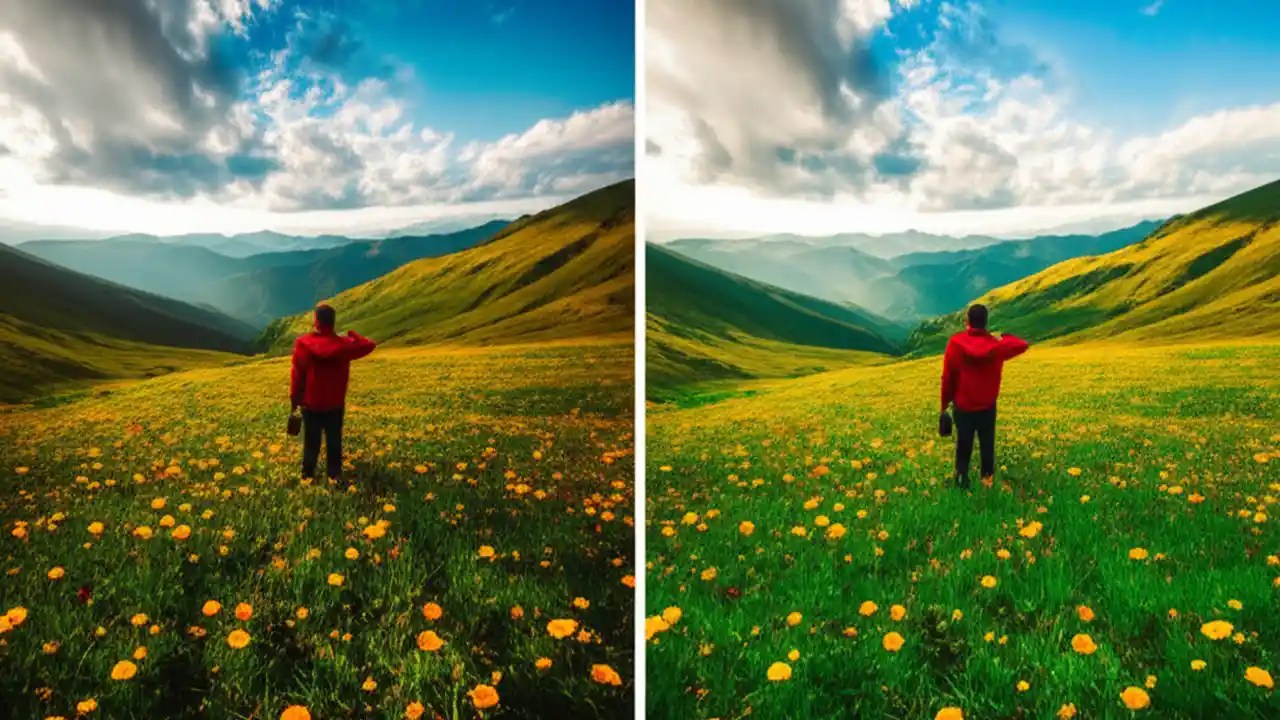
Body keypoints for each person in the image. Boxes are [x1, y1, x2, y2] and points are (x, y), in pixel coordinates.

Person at [940, 304, 1028, 489]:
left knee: (964, 444)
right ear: (986, 322)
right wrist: (1004, 337)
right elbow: (1022, 344)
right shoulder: (996, 346)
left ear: (967, 322)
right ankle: (987, 481)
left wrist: (944, 405)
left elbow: (948, 376)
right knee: (987, 445)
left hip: (963, 406)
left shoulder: (956, 343)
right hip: (987, 406)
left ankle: (961, 479)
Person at [290, 303, 376, 481]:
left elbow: (297, 375)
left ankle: (307, 476)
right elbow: (369, 344)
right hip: (335, 404)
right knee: (334, 441)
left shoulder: (303, 343)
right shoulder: (344, 345)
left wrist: (295, 402)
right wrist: (352, 335)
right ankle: (334, 476)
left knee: (311, 443)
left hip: (311, 403)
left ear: (316, 321)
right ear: (333, 322)